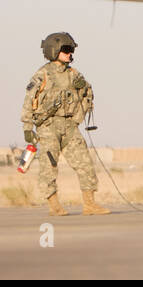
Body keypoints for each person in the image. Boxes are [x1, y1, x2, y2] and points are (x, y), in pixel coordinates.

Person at [20, 32, 110, 215]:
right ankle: (54, 206)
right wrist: (27, 127)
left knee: (85, 163)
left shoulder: (74, 75)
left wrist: (79, 113)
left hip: (69, 127)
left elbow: (88, 94)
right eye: (66, 50)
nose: (70, 54)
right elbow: (29, 100)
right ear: (54, 51)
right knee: (49, 167)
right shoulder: (42, 75)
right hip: (48, 127)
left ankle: (90, 204)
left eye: (71, 50)